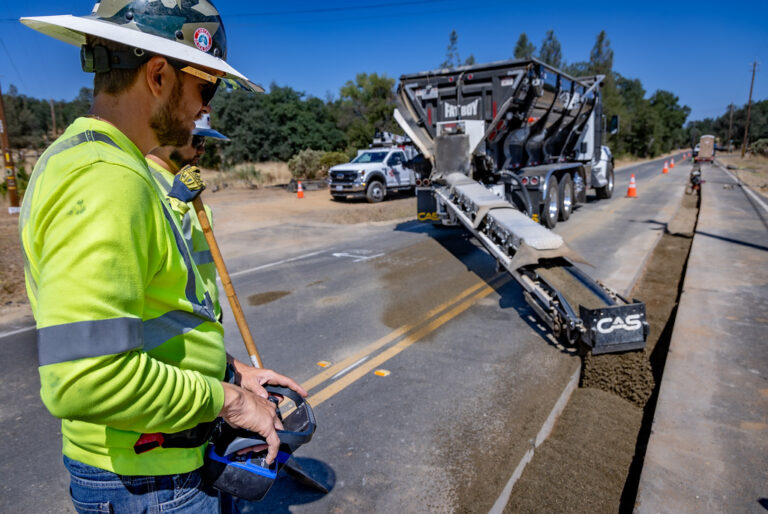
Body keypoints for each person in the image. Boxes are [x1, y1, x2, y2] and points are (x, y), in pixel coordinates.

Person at [18, 2, 306, 512]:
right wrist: (232, 402)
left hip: (152, 470)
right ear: (157, 74)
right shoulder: (107, 179)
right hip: (150, 483)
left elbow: (151, 319)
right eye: (206, 88)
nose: (205, 110)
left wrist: (230, 370)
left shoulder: (100, 163)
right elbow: (87, 378)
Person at [147, 114, 228, 322]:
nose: (202, 150)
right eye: (196, 141)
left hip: (206, 312)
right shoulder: (145, 180)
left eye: (204, 142)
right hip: (178, 320)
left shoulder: (182, 178)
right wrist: (176, 202)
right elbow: (150, 247)